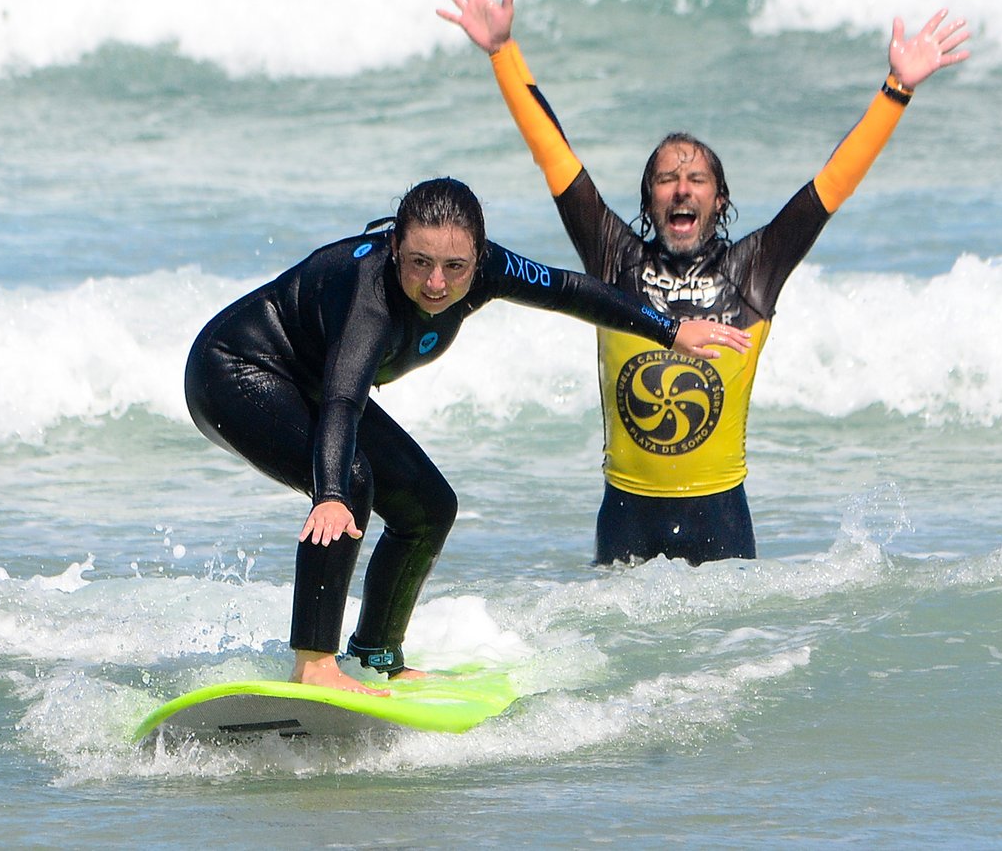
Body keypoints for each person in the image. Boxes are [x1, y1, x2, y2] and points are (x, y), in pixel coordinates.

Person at [440, 0, 972, 567]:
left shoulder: (754, 269)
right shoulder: (615, 258)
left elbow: (833, 185)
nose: (682, 188)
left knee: (732, 634)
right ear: (649, 201)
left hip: (721, 516)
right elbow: (553, 156)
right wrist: (503, 53)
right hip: (626, 514)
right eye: (667, 179)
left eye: (697, 179)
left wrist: (896, 89)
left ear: (719, 201)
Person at [185, 177, 748, 694]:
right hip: (235, 370)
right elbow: (342, 402)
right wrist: (329, 493)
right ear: (394, 247)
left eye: (455, 266)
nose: (436, 283)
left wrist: (669, 329)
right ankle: (314, 665)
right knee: (350, 483)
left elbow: (569, 290)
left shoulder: (490, 269)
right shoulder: (368, 301)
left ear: (479, 258)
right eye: (420, 262)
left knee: (430, 507)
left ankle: (377, 654)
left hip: (311, 381)